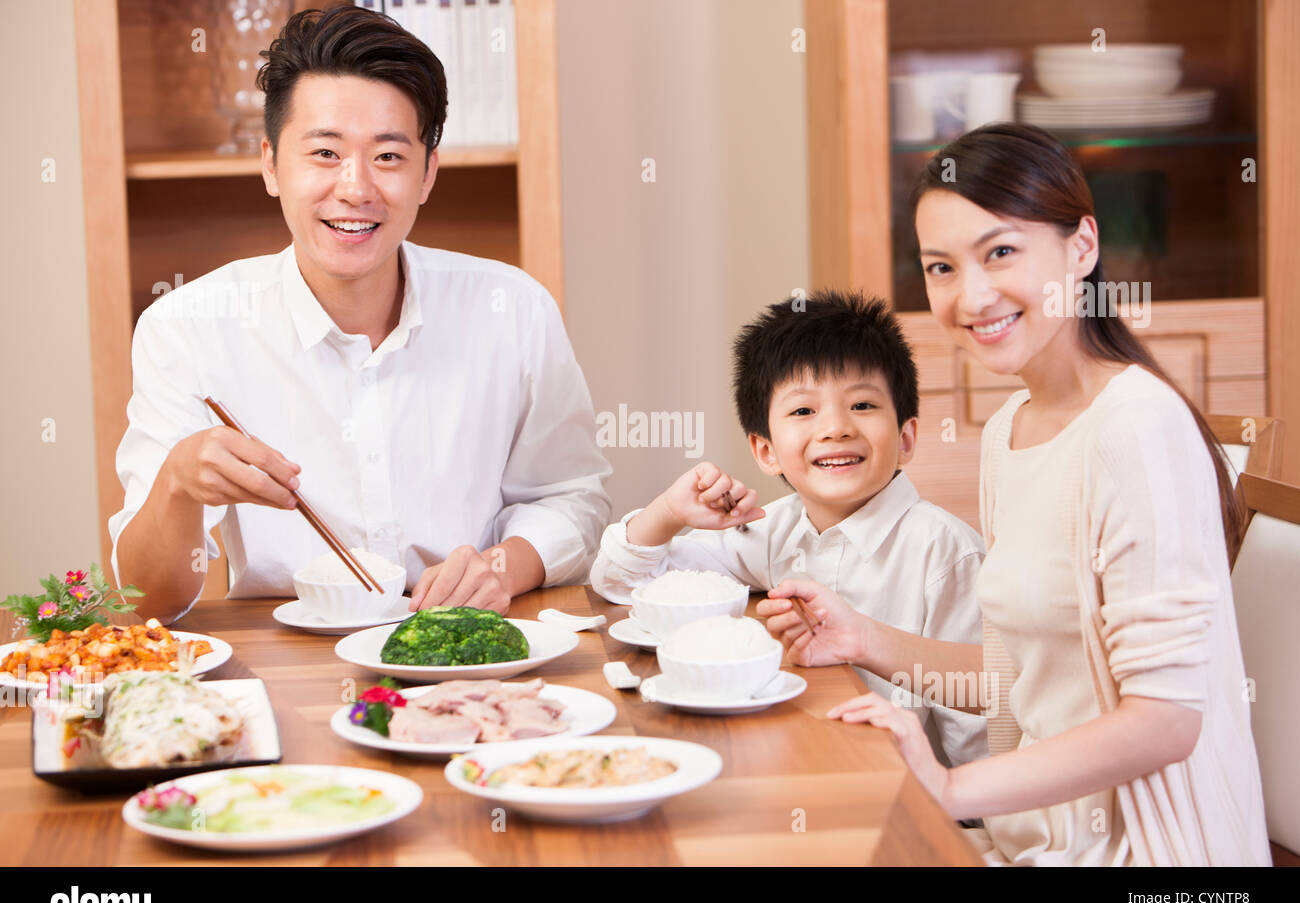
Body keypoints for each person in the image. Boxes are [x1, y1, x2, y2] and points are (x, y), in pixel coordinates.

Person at [759, 123, 1270, 865]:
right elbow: (1017, 677)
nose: (970, 295)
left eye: (1000, 252)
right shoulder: (1009, 432)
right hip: (1031, 842)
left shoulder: (1138, 429)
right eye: (940, 267)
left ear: (1082, 247)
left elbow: (1166, 722)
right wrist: (862, 639)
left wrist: (953, 788)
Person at [110, 6, 611, 623]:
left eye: (389, 157)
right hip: (290, 661)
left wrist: (504, 566)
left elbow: (572, 497)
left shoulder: (514, 309)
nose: (355, 187)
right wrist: (177, 484)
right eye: (324, 152)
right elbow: (149, 601)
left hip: (468, 645)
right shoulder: (186, 328)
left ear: (428, 173)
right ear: (270, 164)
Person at [591, 290, 987, 768]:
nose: (836, 428)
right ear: (765, 452)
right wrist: (670, 511)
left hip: (917, 795)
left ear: (905, 438)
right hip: (806, 755)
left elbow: (980, 723)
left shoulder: (946, 553)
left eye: (862, 405)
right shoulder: (771, 529)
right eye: (804, 411)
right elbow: (621, 584)